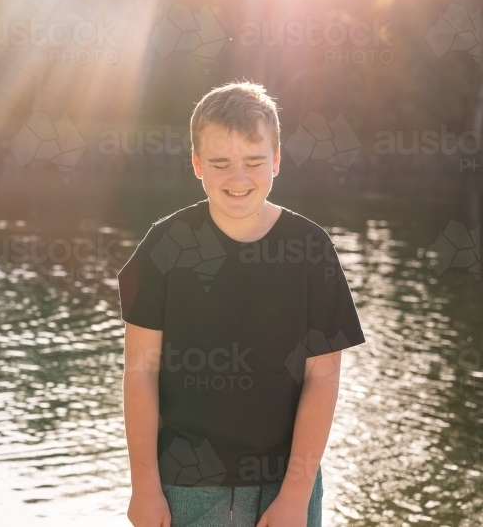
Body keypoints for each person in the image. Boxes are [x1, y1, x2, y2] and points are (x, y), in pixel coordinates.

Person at [119, 81, 366, 527]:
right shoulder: (165, 245)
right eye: (220, 163)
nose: (238, 178)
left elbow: (323, 379)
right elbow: (140, 372)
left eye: (254, 162)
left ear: (276, 160)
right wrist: (144, 487)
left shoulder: (311, 249)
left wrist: (294, 497)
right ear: (197, 164)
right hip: (184, 487)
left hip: (282, 489)